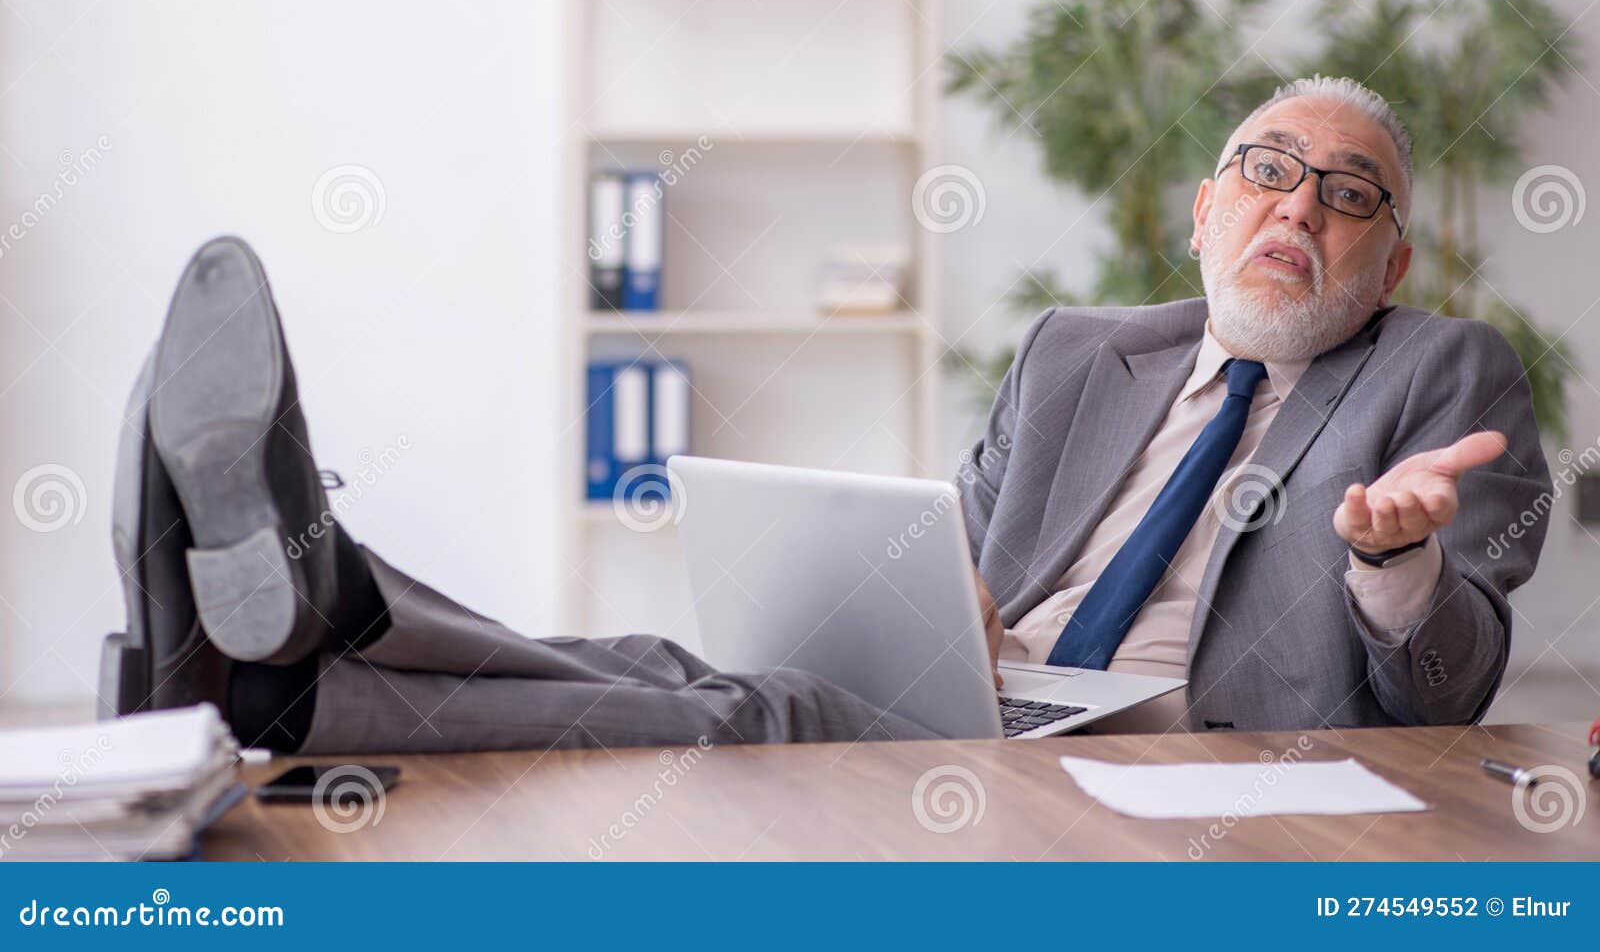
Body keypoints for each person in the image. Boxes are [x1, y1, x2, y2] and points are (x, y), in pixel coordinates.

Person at [103, 75, 1550, 752]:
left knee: (765, 708)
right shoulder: (1077, 351)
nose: (1302, 200)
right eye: (1270, 165)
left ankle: (283, 664)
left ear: (1390, 262)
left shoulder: (1442, 380)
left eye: (1350, 192)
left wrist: (1396, 566)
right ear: (1204, 210)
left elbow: (1453, 691)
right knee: (664, 657)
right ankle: (306, 623)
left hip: (1175, 753)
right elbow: (966, 572)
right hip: (1011, 701)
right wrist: (955, 613)